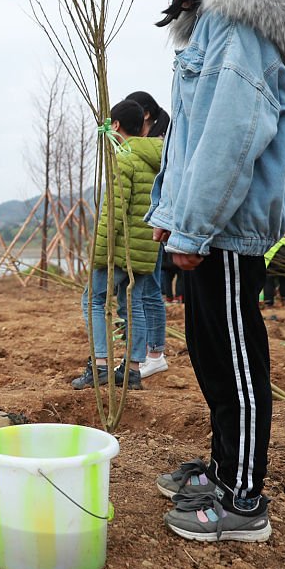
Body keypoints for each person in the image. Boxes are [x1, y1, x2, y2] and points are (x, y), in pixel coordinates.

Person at [143, 0, 285, 542]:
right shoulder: (210, 27)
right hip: (206, 226)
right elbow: (185, 140)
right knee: (208, 350)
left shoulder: (237, 29)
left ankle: (245, 498)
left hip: (227, 229)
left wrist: (194, 228)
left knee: (235, 355)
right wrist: (171, 215)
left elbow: (228, 140)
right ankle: (225, 470)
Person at [72, 99, 160, 391]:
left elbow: (114, 211)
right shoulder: (157, 159)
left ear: (117, 126)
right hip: (145, 247)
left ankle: (98, 366)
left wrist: (99, 253)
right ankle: (132, 370)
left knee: (93, 300)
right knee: (132, 305)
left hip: (120, 247)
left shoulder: (123, 158)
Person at [119, 90, 169, 378]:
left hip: (151, 226)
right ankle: (149, 352)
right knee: (145, 289)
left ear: (146, 115)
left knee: (149, 289)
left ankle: (154, 353)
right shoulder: (155, 143)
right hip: (147, 226)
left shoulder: (156, 145)